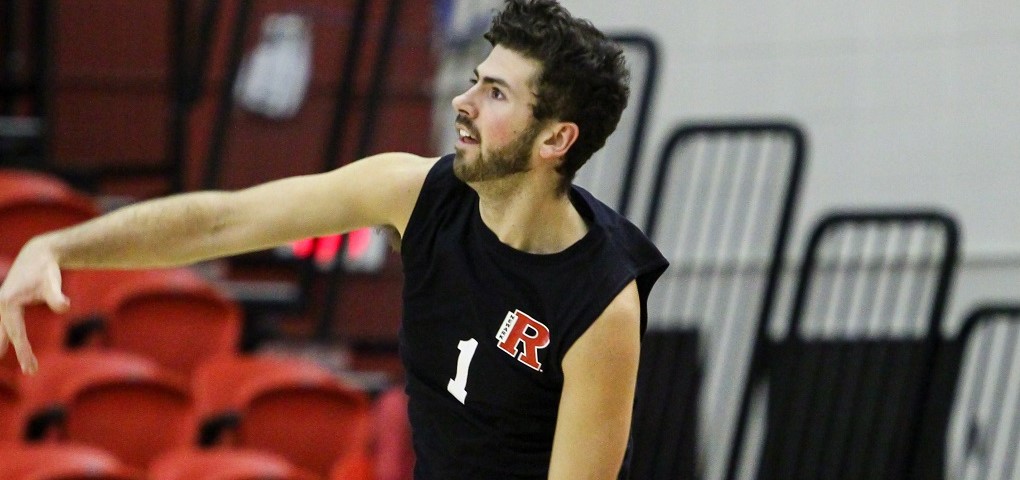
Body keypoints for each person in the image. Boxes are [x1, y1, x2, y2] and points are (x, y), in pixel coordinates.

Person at [0, 0, 668, 478]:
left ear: (555, 138)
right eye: (473, 81)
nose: (463, 102)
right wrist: (62, 246)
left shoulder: (601, 303)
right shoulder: (416, 192)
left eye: (496, 94)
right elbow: (223, 220)